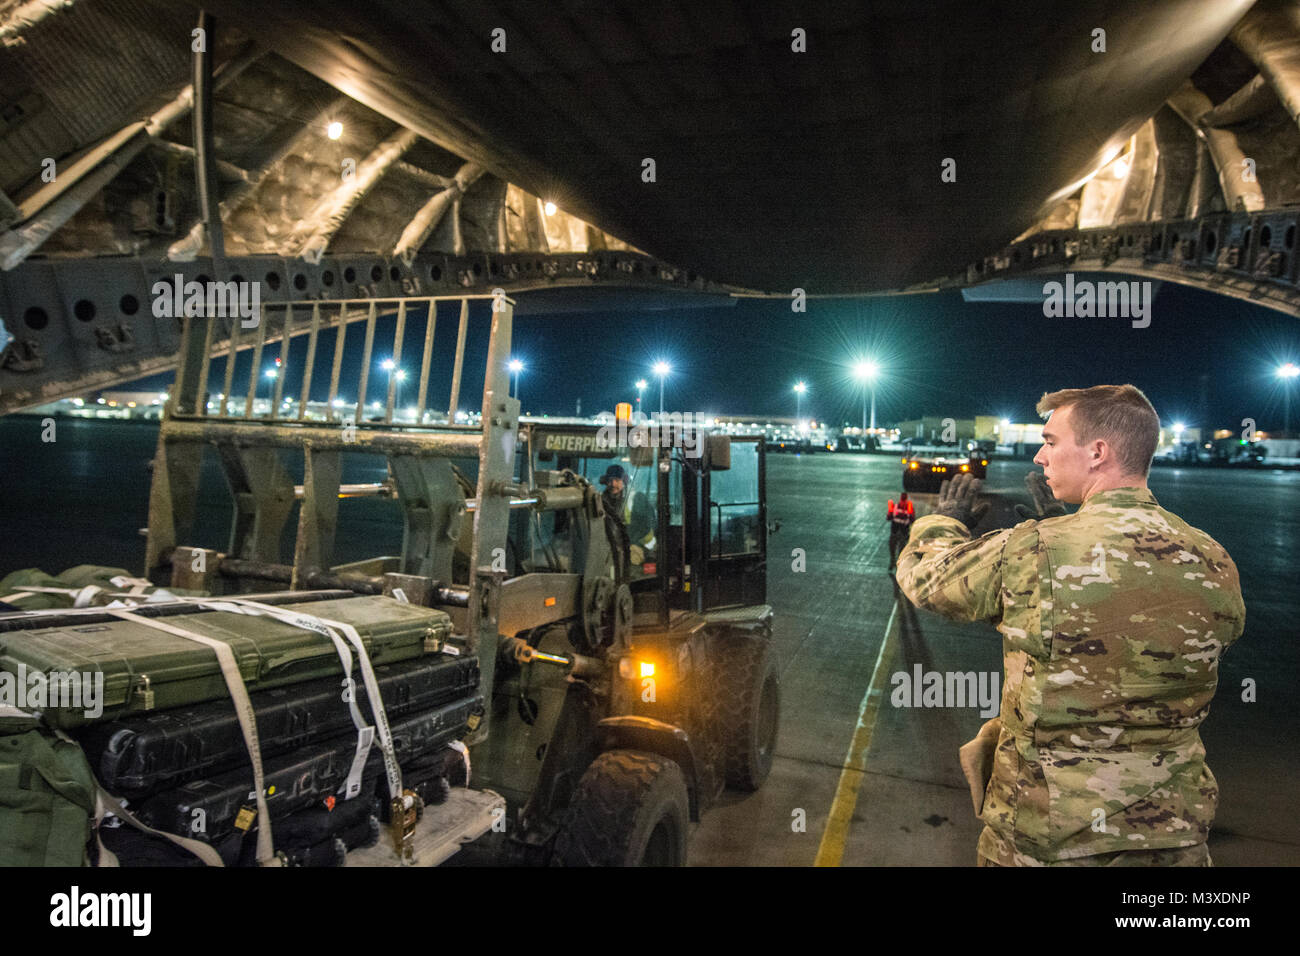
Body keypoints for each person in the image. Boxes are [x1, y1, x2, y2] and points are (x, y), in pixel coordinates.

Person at [895, 384, 1245, 867]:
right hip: (1172, 836)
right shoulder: (1213, 557)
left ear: (1098, 452)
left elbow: (925, 579)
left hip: (1051, 840)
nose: (1041, 456)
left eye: (1052, 441)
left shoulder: (1034, 549)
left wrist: (942, 523)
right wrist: (1070, 526)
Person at [599, 464, 632, 583]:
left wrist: (636, 545)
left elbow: (640, 527)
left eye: (617, 480)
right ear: (605, 482)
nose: (613, 484)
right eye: (610, 480)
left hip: (629, 550)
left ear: (625, 481)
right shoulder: (599, 501)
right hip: (606, 551)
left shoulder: (631, 500)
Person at [885, 491, 915, 571]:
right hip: (894, 532)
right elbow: (888, 518)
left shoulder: (909, 508)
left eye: (904, 500)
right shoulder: (895, 507)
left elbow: (912, 520)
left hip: (903, 534)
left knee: (901, 551)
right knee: (892, 548)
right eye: (902, 500)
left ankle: (899, 565)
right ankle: (892, 561)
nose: (903, 502)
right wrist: (890, 513)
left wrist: (910, 515)